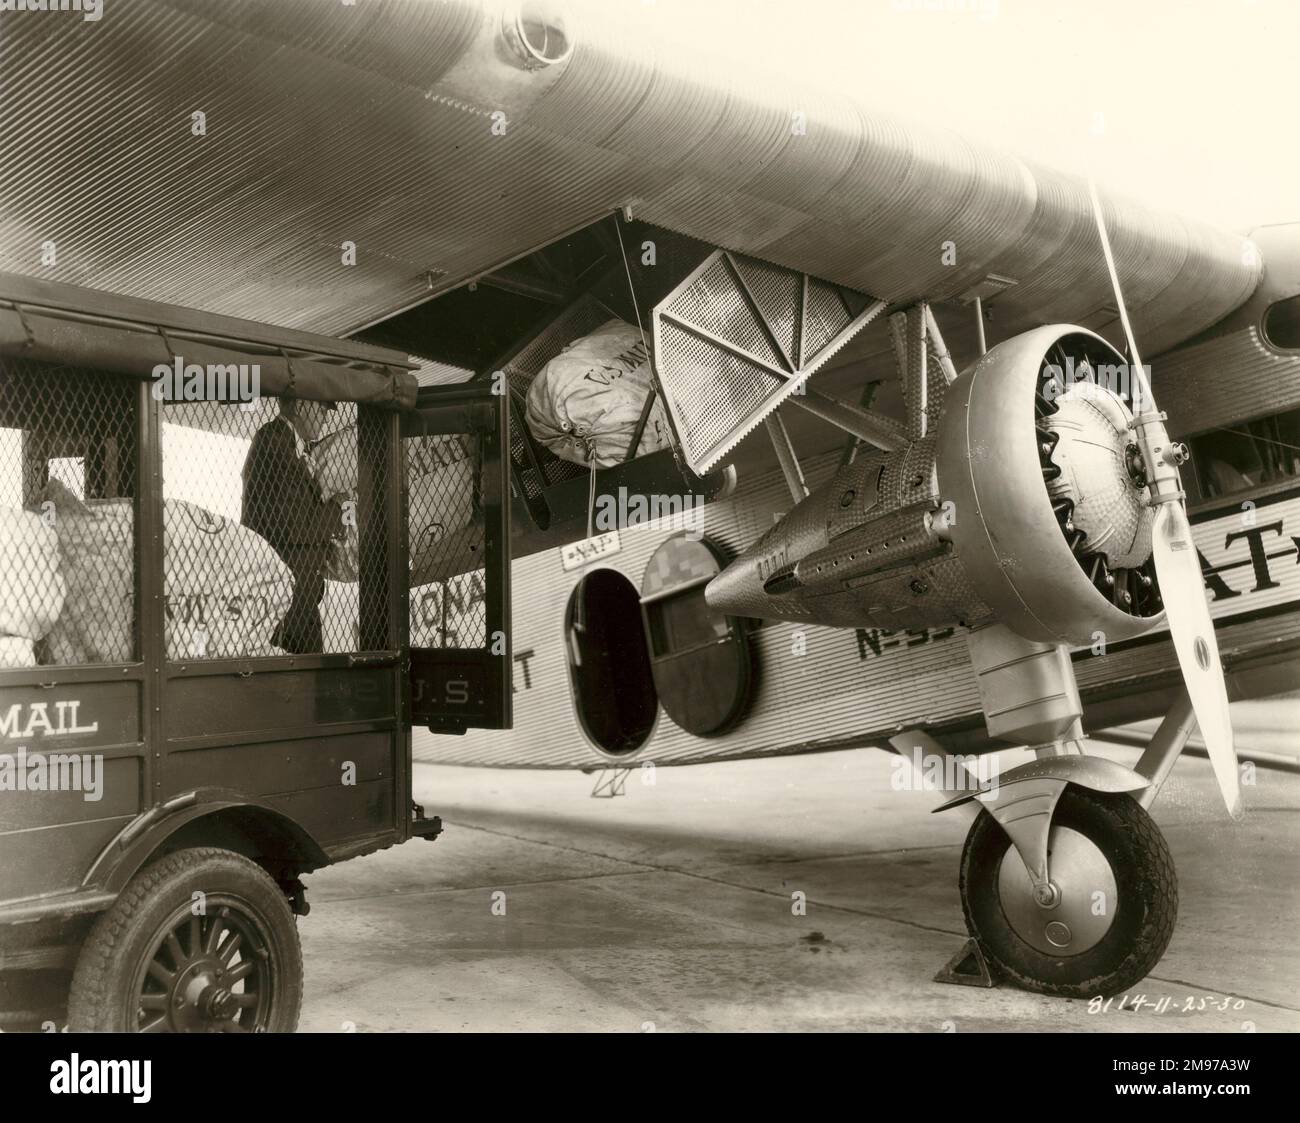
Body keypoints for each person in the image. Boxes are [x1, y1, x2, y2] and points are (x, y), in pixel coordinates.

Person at [241, 397, 345, 654]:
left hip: (293, 594)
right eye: (322, 407)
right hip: (286, 597)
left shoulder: (287, 445)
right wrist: (338, 508)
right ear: (300, 406)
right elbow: (295, 525)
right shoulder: (274, 444)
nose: (325, 416)